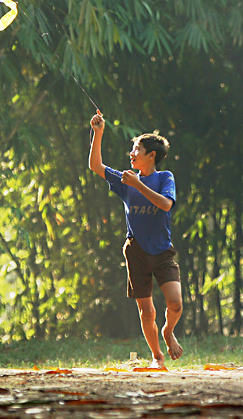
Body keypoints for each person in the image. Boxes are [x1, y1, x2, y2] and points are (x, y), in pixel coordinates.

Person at [88, 110, 183, 368]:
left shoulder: (165, 178)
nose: (131, 154)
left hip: (162, 251)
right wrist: (97, 134)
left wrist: (138, 185)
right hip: (136, 250)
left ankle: (168, 331)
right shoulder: (125, 179)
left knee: (175, 303)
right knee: (147, 311)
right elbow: (95, 166)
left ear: (151, 155)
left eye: (136, 150)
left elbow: (165, 205)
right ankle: (157, 356)